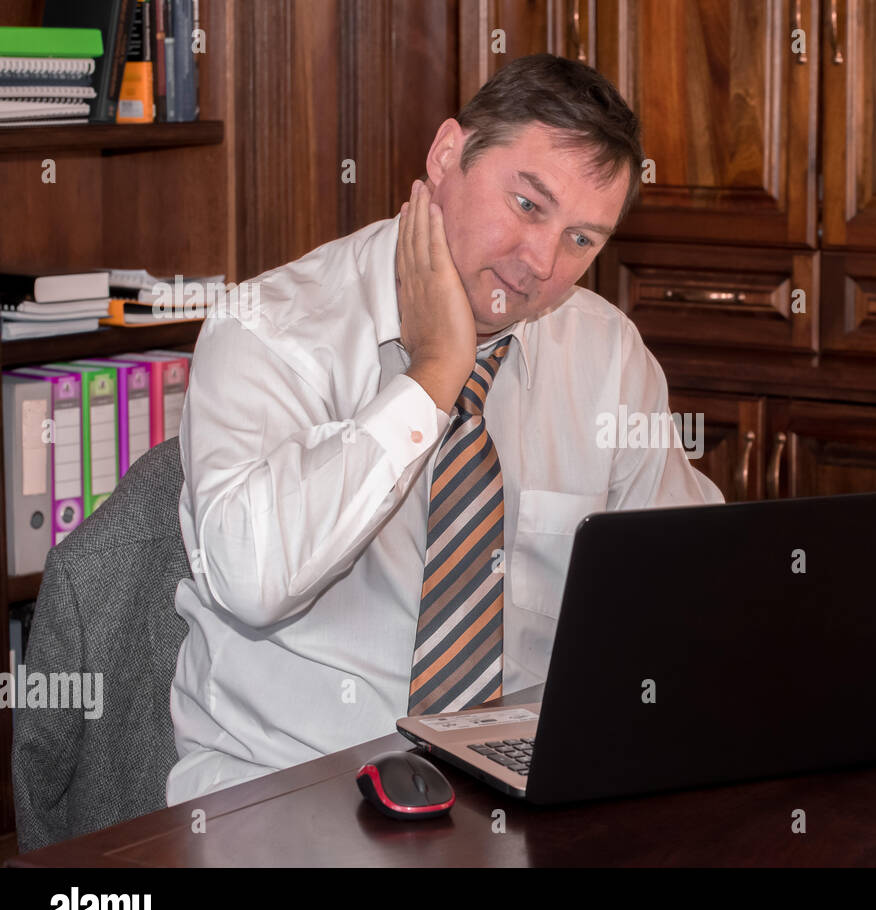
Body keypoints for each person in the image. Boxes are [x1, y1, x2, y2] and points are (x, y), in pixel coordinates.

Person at [166, 54, 723, 805]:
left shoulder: (605, 354)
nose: (540, 263)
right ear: (446, 155)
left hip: (511, 791)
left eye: (582, 240)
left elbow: (694, 582)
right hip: (284, 789)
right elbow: (253, 581)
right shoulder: (267, 330)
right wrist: (430, 379)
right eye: (528, 205)